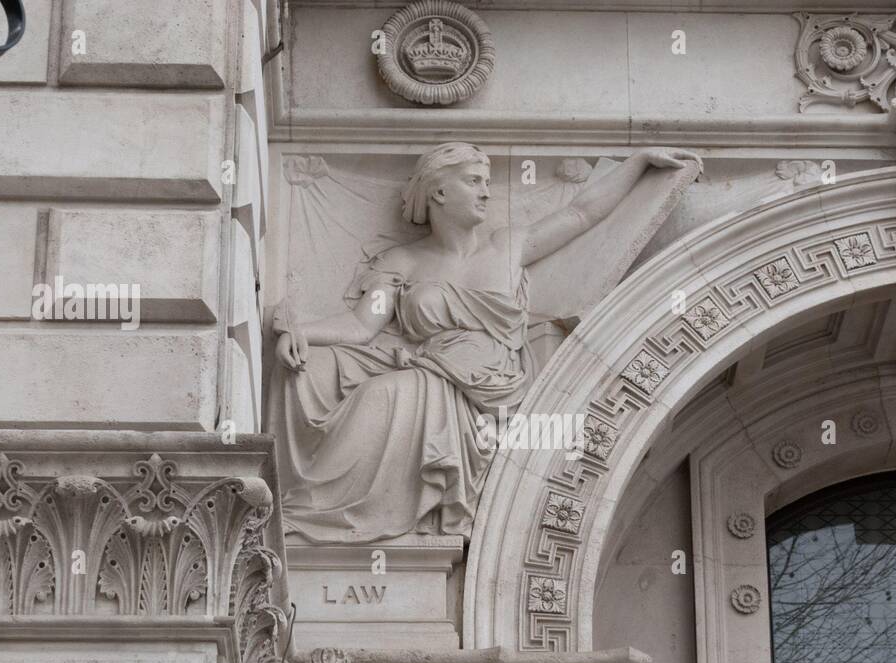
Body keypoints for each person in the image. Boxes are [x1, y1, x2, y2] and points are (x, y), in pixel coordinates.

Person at [273, 141, 701, 543]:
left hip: (496, 388)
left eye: (488, 182)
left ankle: (331, 511)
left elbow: (582, 215)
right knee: (379, 392)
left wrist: (638, 161)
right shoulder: (400, 262)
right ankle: (322, 510)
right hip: (435, 376)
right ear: (439, 190)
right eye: (474, 181)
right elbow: (361, 327)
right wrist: (297, 331)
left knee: (387, 394)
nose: (486, 193)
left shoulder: (509, 246)